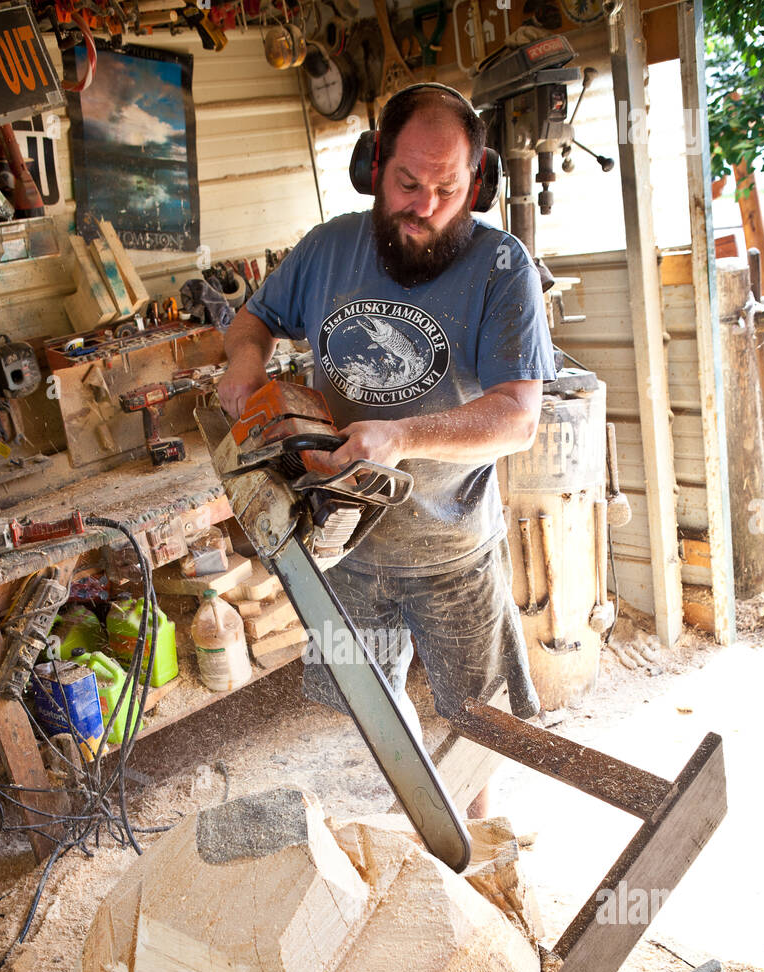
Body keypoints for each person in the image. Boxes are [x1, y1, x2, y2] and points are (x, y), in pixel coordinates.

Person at [218, 83, 556, 817]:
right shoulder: (327, 248)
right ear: (374, 167)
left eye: (448, 188)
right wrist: (244, 361)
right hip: (340, 539)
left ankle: (478, 838)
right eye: (407, 183)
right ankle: (423, 812)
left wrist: (401, 436)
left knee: (478, 720)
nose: (425, 206)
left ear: (478, 180)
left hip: (451, 546)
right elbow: (254, 318)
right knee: (369, 703)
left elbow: (517, 418)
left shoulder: (504, 268)